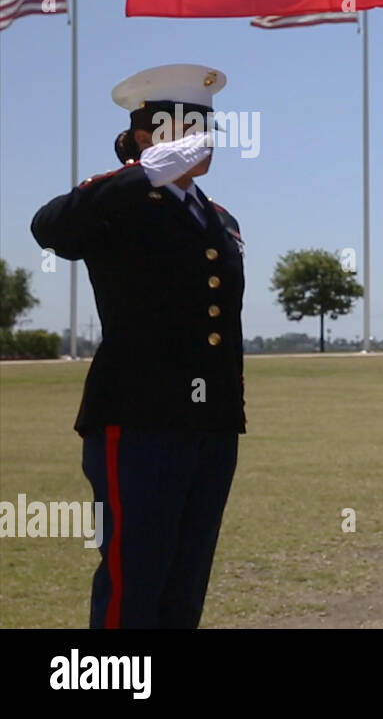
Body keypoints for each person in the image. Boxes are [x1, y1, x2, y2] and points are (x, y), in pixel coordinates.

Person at [31, 64, 245, 628]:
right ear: (148, 136)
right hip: (139, 421)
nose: (200, 139)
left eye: (204, 127)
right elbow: (50, 228)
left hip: (211, 424)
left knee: (187, 579)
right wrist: (139, 175)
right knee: (135, 578)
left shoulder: (219, 219)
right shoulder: (120, 204)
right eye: (181, 128)